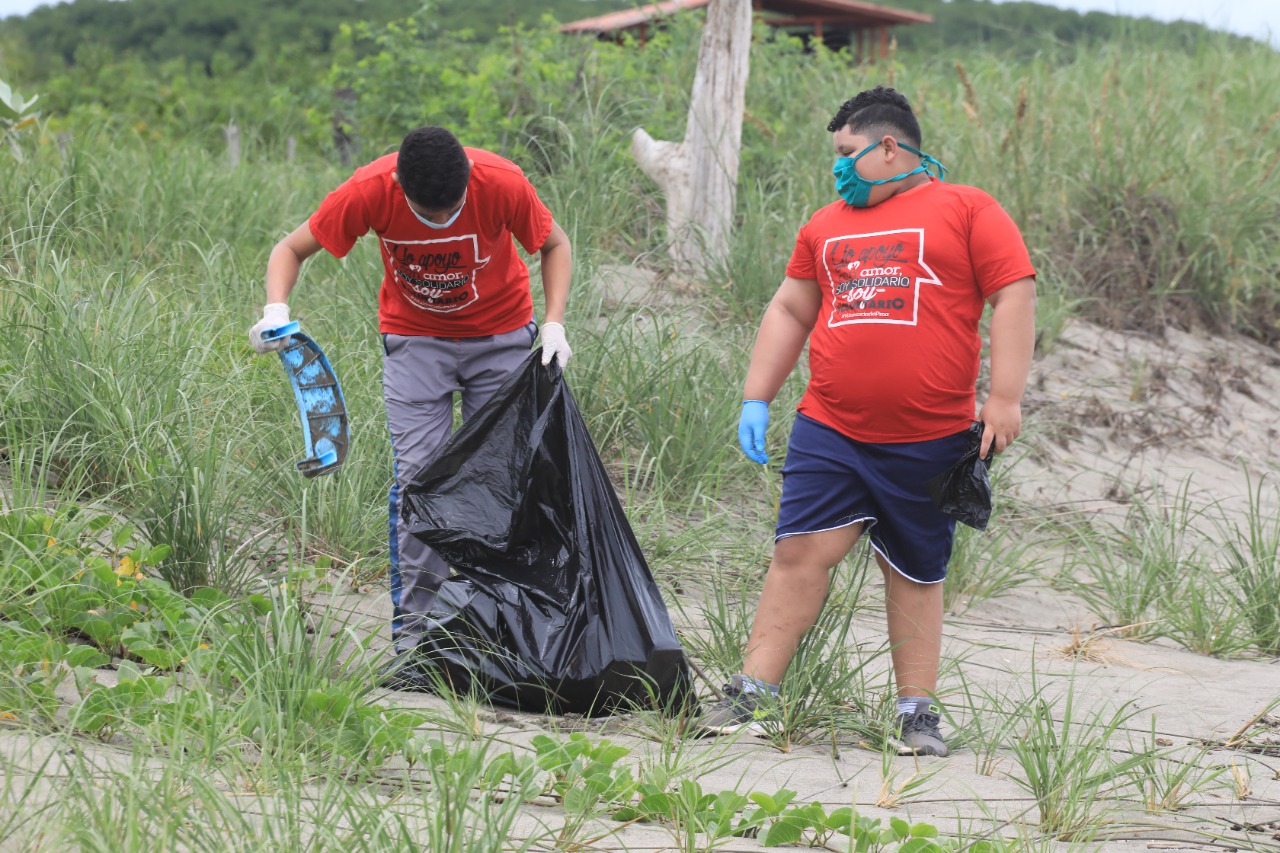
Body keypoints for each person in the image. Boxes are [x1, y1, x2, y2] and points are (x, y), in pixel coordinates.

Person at [700, 87, 1036, 756]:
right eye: (835, 160)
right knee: (798, 552)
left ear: (890, 147)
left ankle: (916, 713)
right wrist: (756, 396)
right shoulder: (824, 226)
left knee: (915, 570)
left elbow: (1013, 290)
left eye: (847, 155)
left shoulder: (966, 208)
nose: (839, 170)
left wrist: (1004, 397)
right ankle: (752, 693)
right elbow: (791, 310)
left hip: (930, 436)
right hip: (832, 429)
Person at [248, 126, 573, 686]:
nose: (442, 222)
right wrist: (276, 308)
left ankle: (497, 630)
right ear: (400, 186)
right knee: (418, 482)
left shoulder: (502, 183)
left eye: (452, 212)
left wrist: (553, 323)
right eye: (430, 215)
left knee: (501, 481)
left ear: (469, 183)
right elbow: (291, 248)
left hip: (500, 336)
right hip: (415, 343)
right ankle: (417, 642)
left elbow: (554, 244)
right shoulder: (370, 188)